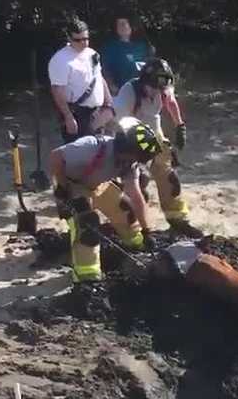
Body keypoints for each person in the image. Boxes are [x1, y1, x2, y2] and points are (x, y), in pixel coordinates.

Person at [50, 119, 161, 283]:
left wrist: (147, 231)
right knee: (87, 225)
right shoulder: (91, 147)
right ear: (125, 147)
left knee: (126, 209)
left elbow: (136, 196)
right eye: (136, 156)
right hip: (72, 185)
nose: (136, 161)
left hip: (98, 184)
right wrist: (61, 187)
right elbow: (56, 157)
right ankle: (87, 275)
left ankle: (134, 243)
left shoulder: (129, 164)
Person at [113, 58, 203, 237]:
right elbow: (120, 124)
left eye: (161, 89)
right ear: (145, 82)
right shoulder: (128, 94)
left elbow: (170, 102)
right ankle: (135, 226)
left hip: (155, 134)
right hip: (131, 138)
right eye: (154, 88)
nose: (157, 93)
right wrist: (138, 160)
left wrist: (179, 126)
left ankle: (177, 219)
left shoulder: (164, 87)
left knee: (169, 177)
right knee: (138, 183)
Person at [49, 18, 112, 143]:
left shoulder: (92, 54)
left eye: (86, 39)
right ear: (69, 38)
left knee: (98, 151)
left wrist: (109, 103)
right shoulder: (61, 59)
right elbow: (57, 90)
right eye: (78, 40)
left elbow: (99, 78)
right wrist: (68, 117)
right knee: (78, 155)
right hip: (77, 114)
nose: (83, 43)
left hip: (97, 112)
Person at [101, 16, 153, 94]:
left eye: (124, 23)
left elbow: (151, 66)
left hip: (143, 91)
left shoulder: (142, 46)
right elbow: (105, 69)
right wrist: (112, 86)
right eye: (118, 24)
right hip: (120, 90)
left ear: (131, 25)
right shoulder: (111, 47)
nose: (121, 27)